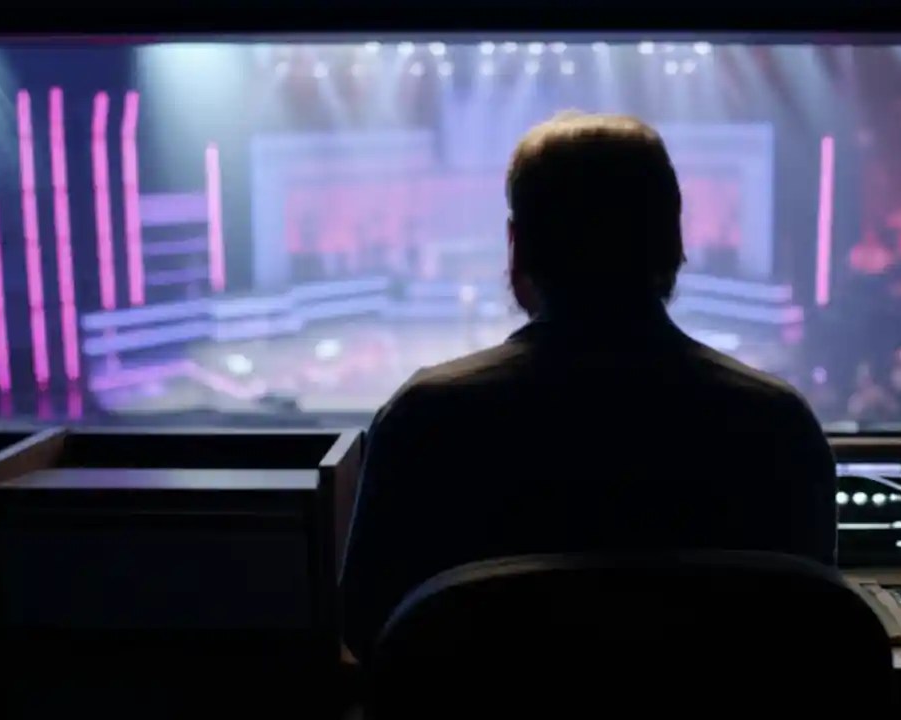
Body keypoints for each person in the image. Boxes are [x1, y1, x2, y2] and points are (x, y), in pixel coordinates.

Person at [339, 112, 836, 662]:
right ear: (673, 241)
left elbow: (368, 630)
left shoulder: (423, 420)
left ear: (516, 247)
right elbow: (809, 641)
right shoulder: (778, 425)